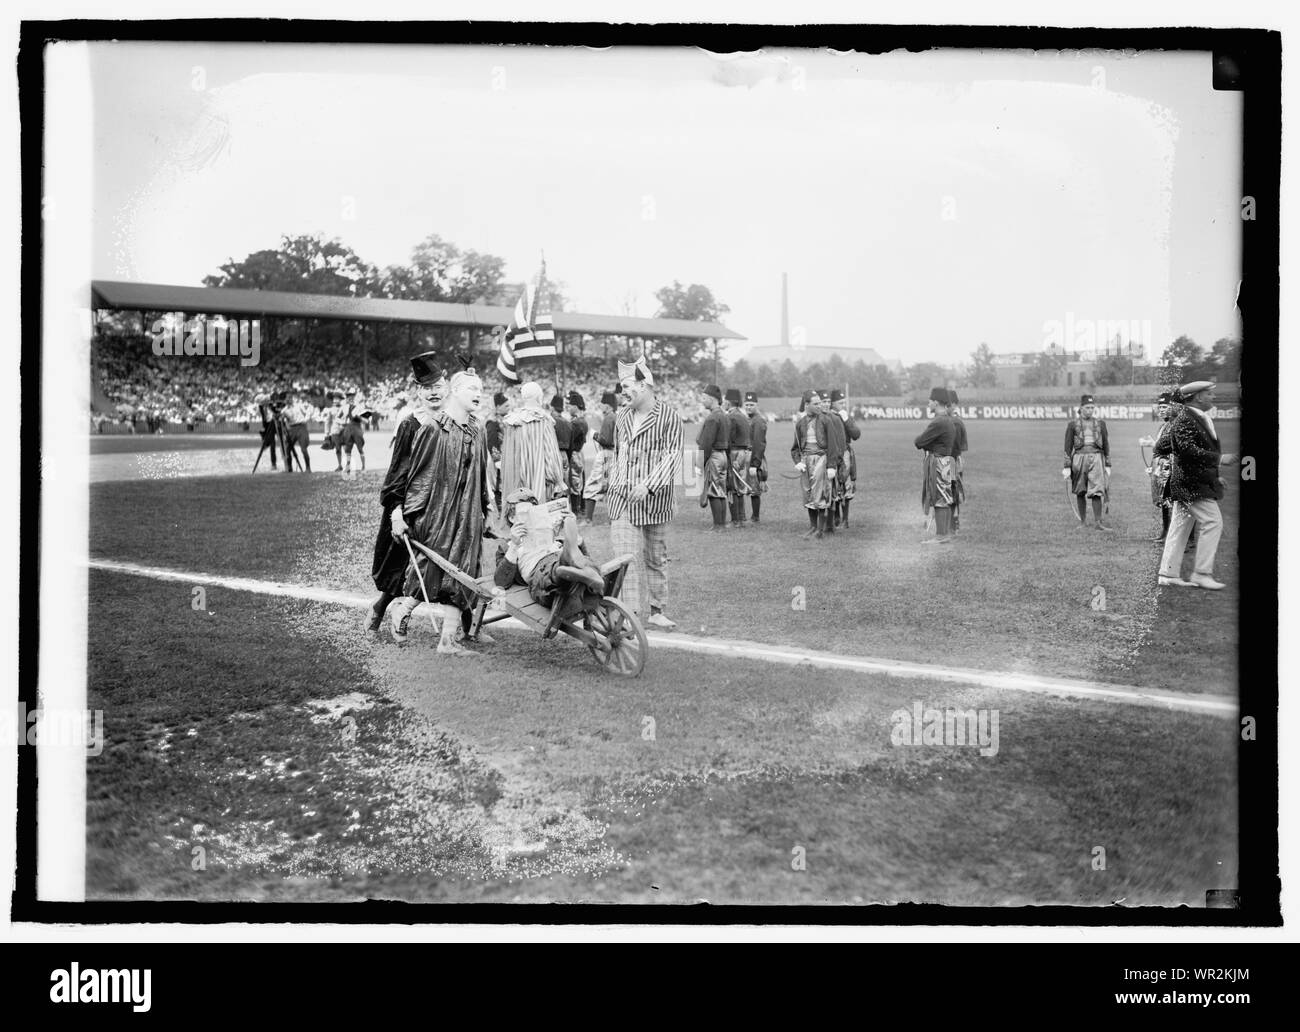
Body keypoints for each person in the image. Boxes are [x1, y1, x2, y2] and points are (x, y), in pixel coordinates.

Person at [385, 365, 493, 654]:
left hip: (467, 512)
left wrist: (485, 509)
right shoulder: (432, 429)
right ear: (455, 392)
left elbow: (482, 473)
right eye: (472, 388)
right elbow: (418, 478)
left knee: (464, 570)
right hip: (439, 513)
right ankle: (402, 609)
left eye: (481, 390)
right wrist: (408, 516)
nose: (478, 394)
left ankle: (447, 640)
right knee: (434, 567)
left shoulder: (477, 429)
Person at [367, 354, 444, 637]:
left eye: (438, 385)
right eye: (427, 388)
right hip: (412, 507)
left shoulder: (455, 421)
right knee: (402, 568)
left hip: (442, 507)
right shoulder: (410, 425)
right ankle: (381, 609)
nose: (434, 392)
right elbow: (397, 474)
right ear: (418, 392)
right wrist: (397, 512)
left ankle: (464, 627)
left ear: (446, 387)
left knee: (449, 562)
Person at [608, 357, 683, 630]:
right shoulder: (622, 416)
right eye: (622, 387)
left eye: (627, 386)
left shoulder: (670, 417)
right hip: (623, 500)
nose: (623, 392)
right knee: (625, 559)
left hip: (655, 501)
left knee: (656, 558)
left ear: (645, 384)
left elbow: (672, 458)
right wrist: (615, 485)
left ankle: (656, 610)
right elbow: (618, 455)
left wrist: (649, 484)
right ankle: (629, 616)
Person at [1155, 381, 1238, 590]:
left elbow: (1171, 447)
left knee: (1179, 527)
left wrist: (1214, 477)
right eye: (1209, 394)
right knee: (1213, 521)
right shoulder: (1185, 418)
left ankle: (1168, 573)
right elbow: (1187, 451)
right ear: (1198, 397)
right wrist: (1220, 459)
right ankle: (1201, 573)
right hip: (1190, 486)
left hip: (1189, 483)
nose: (1213, 397)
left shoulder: (1197, 417)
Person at [493, 490, 605, 604]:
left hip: (557, 554)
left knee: (580, 559)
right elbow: (501, 582)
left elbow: (584, 556)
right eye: (525, 514)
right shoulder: (507, 547)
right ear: (512, 517)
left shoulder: (554, 537)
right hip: (539, 572)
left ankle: (573, 563)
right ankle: (566, 564)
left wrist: (572, 529)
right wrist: (514, 545)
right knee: (549, 572)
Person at [500, 381, 566, 502]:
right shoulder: (543, 420)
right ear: (539, 396)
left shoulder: (512, 420)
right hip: (537, 483)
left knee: (519, 516)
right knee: (537, 517)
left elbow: (505, 458)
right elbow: (551, 456)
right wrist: (558, 481)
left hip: (514, 484)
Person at [791, 390, 838, 539]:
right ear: (807, 405)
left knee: (820, 494)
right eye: (816, 403)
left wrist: (831, 466)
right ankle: (812, 527)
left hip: (821, 459)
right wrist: (798, 461)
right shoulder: (800, 423)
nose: (820, 406)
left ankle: (820, 530)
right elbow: (795, 447)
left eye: (820, 403)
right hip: (806, 461)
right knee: (808, 493)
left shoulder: (826, 420)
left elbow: (832, 445)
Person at [914, 387, 958, 544]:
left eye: (930, 400)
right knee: (944, 497)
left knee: (939, 498)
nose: (928, 403)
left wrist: (923, 442)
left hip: (938, 463)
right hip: (946, 461)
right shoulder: (948, 420)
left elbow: (919, 442)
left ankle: (940, 535)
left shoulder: (938, 422)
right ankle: (944, 533)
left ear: (937, 402)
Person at [1063, 393, 1111, 530]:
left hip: (1096, 458)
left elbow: (1106, 444)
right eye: (1087, 407)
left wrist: (1108, 463)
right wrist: (1067, 466)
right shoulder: (1072, 425)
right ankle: (1083, 522)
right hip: (1078, 459)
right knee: (1080, 490)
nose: (1090, 410)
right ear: (1081, 407)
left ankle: (1098, 522)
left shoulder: (1101, 424)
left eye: (1092, 407)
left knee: (1097, 490)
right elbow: (1067, 446)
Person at [580, 389, 619, 526]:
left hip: (607, 454)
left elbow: (606, 440)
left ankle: (588, 520)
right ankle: (612, 520)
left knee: (592, 485)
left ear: (607, 405)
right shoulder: (616, 416)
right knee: (612, 487)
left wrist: (595, 435)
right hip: (616, 455)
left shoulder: (609, 418)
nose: (600, 406)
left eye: (602, 404)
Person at [697, 384, 731, 530]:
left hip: (714, 455)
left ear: (711, 399)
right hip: (723, 455)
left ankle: (718, 526)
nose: (702, 401)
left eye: (704, 398)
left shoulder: (712, 418)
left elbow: (706, 443)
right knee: (721, 490)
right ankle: (721, 523)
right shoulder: (724, 415)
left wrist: (699, 464)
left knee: (713, 491)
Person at [724, 388, 752, 527]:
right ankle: (742, 518)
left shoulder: (731, 417)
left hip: (734, 453)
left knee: (732, 487)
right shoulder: (742, 415)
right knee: (740, 487)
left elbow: (727, 439)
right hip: (744, 452)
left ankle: (735, 520)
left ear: (729, 402)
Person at [743, 391, 768, 524]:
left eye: (751, 404)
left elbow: (759, 444)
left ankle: (755, 517)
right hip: (746, 454)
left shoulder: (759, 420)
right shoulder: (748, 419)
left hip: (753, 455)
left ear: (756, 405)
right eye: (747, 404)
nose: (749, 407)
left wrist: (755, 464)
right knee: (746, 487)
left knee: (754, 488)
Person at [565, 390, 589, 516]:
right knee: (580, 479)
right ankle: (581, 507)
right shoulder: (582, 420)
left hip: (574, 453)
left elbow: (570, 440)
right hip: (580, 453)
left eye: (570, 406)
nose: (568, 408)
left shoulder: (576, 423)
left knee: (574, 480)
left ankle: (576, 509)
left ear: (575, 406)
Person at [947, 389, 967, 534]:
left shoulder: (955, 421)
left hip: (952, 460)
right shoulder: (955, 419)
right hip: (955, 460)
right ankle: (954, 521)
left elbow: (956, 445)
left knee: (953, 491)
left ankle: (953, 522)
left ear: (953, 404)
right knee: (953, 490)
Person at [484, 391, 509, 513]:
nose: (508, 408)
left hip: (504, 457)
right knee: (498, 485)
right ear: (498, 407)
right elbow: (491, 442)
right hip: (496, 461)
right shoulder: (492, 422)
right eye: (506, 406)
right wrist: (497, 460)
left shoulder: (502, 420)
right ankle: (500, 512)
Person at [339, 388, 369, 477]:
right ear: (346, 398)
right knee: (347, 449)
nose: (350, 398)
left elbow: (366, 421)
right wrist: (342, 422)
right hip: (348, 428)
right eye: (348, 397)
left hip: (357, 428)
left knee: (360, 448)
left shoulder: (360, 407)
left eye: (351, 396)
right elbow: (337, 418)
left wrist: (359, 417)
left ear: (354, 397)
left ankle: (363, 467)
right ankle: (348, 467)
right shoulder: (344, 408)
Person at [284, 389, 314, 472]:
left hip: (301, 427)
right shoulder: (284, 410)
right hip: (292, 428)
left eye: (290, 398)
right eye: (287, 399)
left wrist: (306, 419)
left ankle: (308, 468)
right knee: (288, 449)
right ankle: (289, 468)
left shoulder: (299, 405)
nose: (288, 400)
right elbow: (284, 421)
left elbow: (309, 410)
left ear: (292, 399)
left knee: (304, 448)